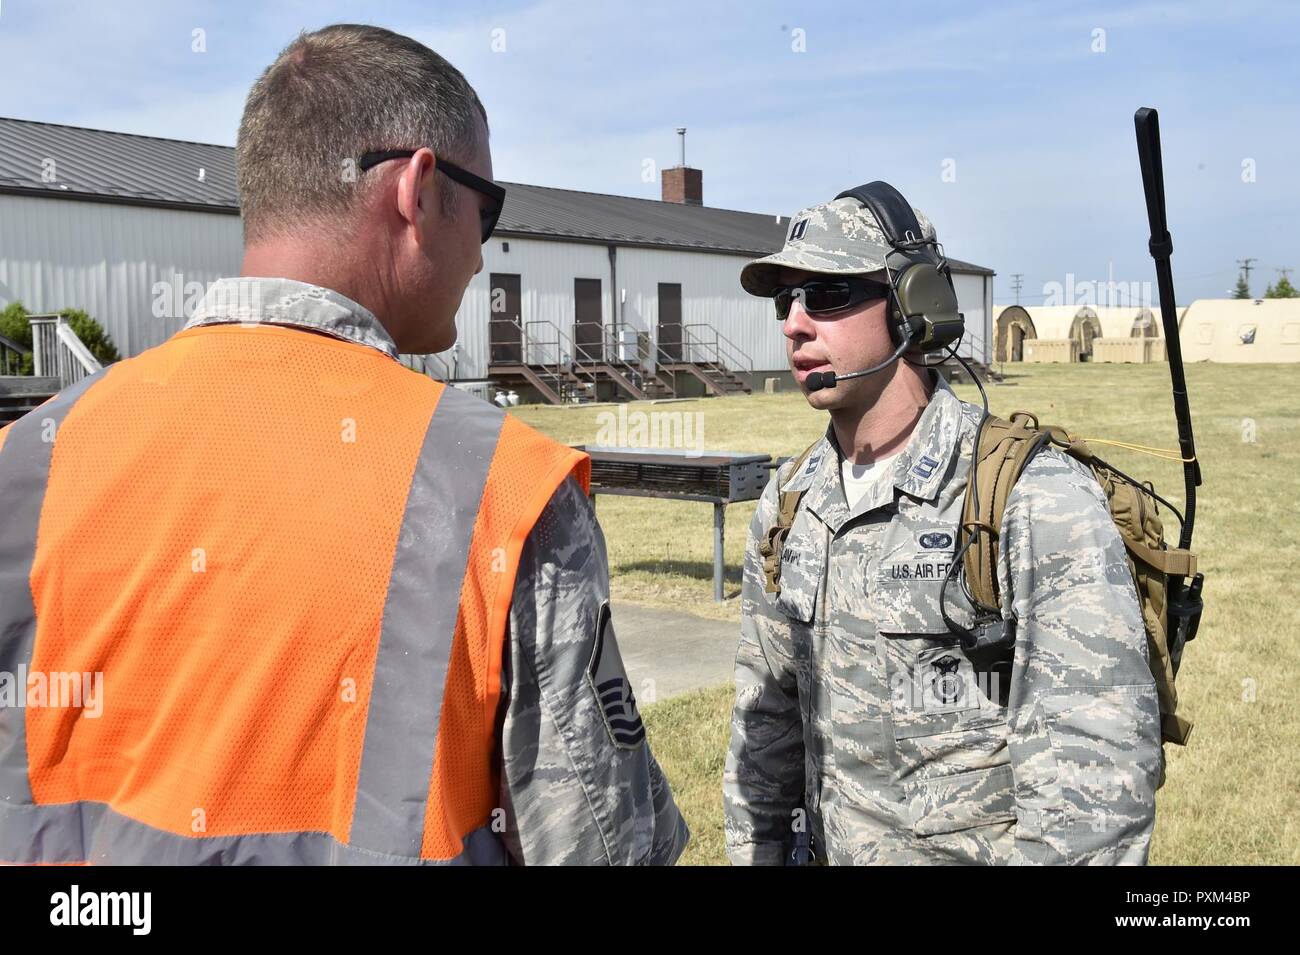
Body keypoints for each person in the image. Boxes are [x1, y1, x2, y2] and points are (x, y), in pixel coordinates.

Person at [0, 24, 686, 866]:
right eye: (488, 209)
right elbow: (605, 849)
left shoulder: (28, 461)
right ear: (418, 190)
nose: (482, 253)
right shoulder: (503, 489)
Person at [722, 187, 1162, 865]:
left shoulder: (1029, 500)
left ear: (913, 306)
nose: (795, 324)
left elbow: (1094, 794)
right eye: (788, 300)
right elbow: (765, 736)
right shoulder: (790, 504)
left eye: (829, 293)